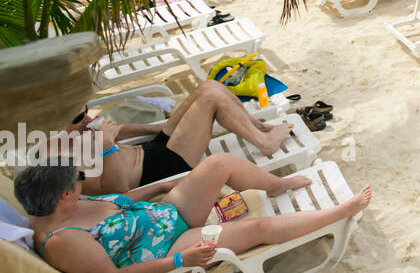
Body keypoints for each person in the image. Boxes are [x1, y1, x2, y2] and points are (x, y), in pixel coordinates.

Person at [17, 156, 372, 273]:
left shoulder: (65, 204)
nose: (82, 181)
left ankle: (277, 183)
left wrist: (159, 186)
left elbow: (122, 202)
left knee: (218, 164)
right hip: (162, 256)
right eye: (76, 181)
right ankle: (339, 214)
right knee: (255, 231)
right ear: (64, 195)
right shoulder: (62, 240)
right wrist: (179, 261)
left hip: (163, 217)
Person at [64, 81, 297, 194]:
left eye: (85, 111)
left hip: (152, 148)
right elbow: (117, 193)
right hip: (161, 167)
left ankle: (257, 126)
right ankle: (265, 143)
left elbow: (119, 129)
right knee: (212, 99)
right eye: (79, 118)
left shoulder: (75, 134)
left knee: (209, 86)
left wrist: (160, 128)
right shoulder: (66, 164)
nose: (87, 119)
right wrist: (106, 147)